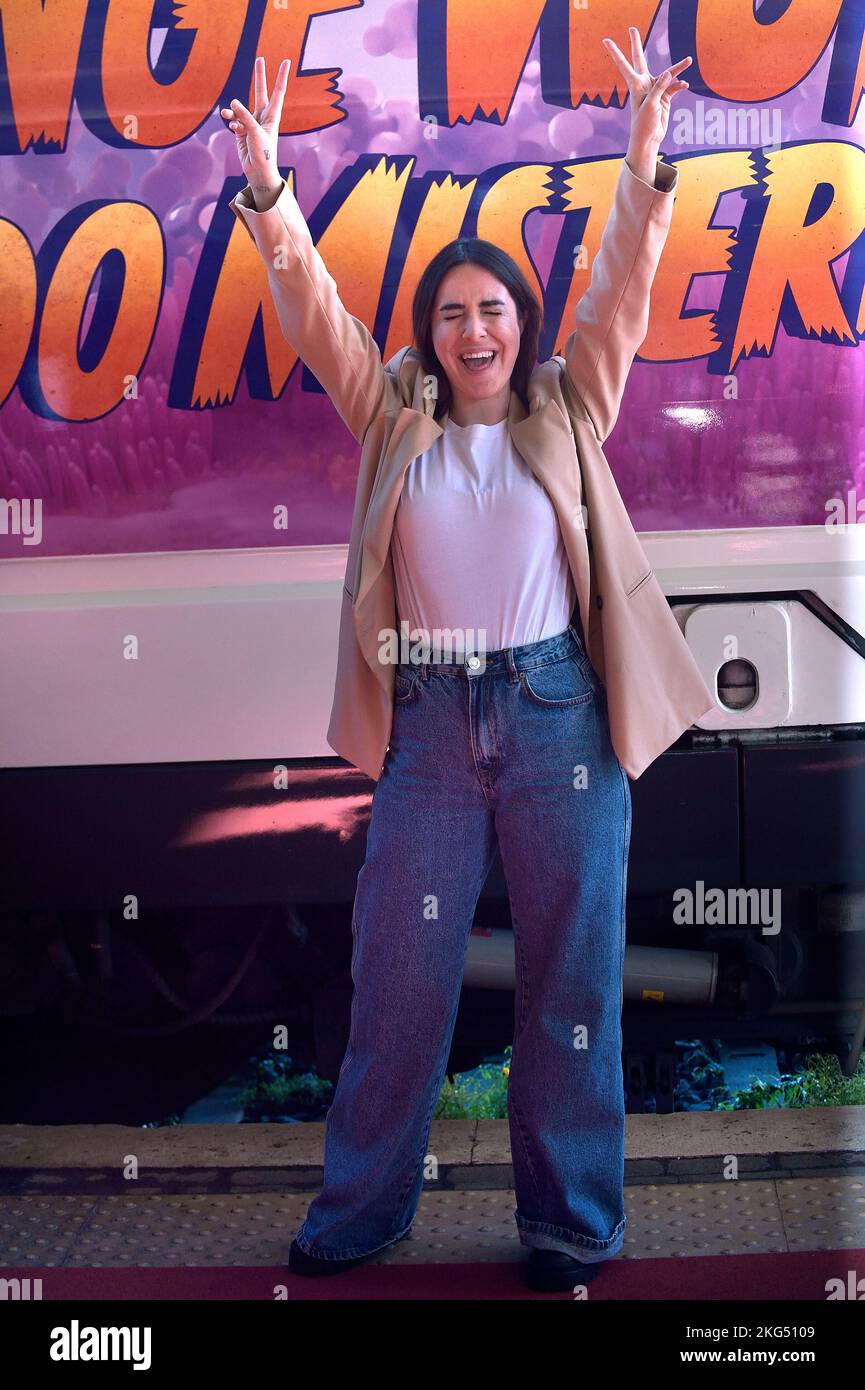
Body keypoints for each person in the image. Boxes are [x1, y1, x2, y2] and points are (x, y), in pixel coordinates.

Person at [222, 30, 693, 1293]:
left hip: (558, 718)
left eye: (492, 309)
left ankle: (569, 1225)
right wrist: (266, 190)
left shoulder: (565, 404)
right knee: (400, 984)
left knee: (571, 984)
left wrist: (644, 157)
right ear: (429, 335)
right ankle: (362, 1214)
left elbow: (620, 290)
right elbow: (315, 315)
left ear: (517, 324)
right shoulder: (392, 414)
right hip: (430, 725)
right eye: (451, 312)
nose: (474, 327)